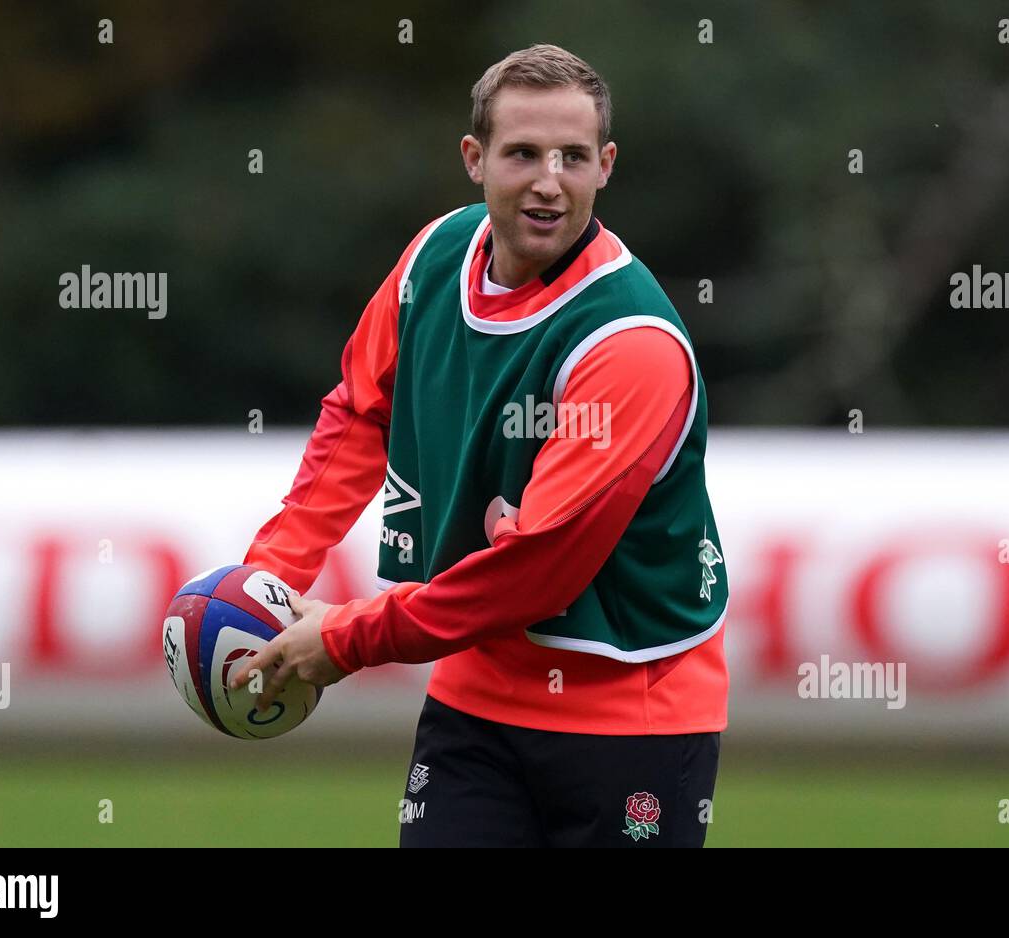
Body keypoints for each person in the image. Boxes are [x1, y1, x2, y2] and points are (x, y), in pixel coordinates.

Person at [231, 43, 729, 847]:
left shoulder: (630, 341)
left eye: (573, 157)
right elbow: (363, 412)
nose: (548, 180)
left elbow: (535, 570)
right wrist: (265, 584)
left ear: (606, 166)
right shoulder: (434, 259)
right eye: (523, 153)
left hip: (631, 720)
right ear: (475, 159)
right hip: (477, 704)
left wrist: (345, 638)